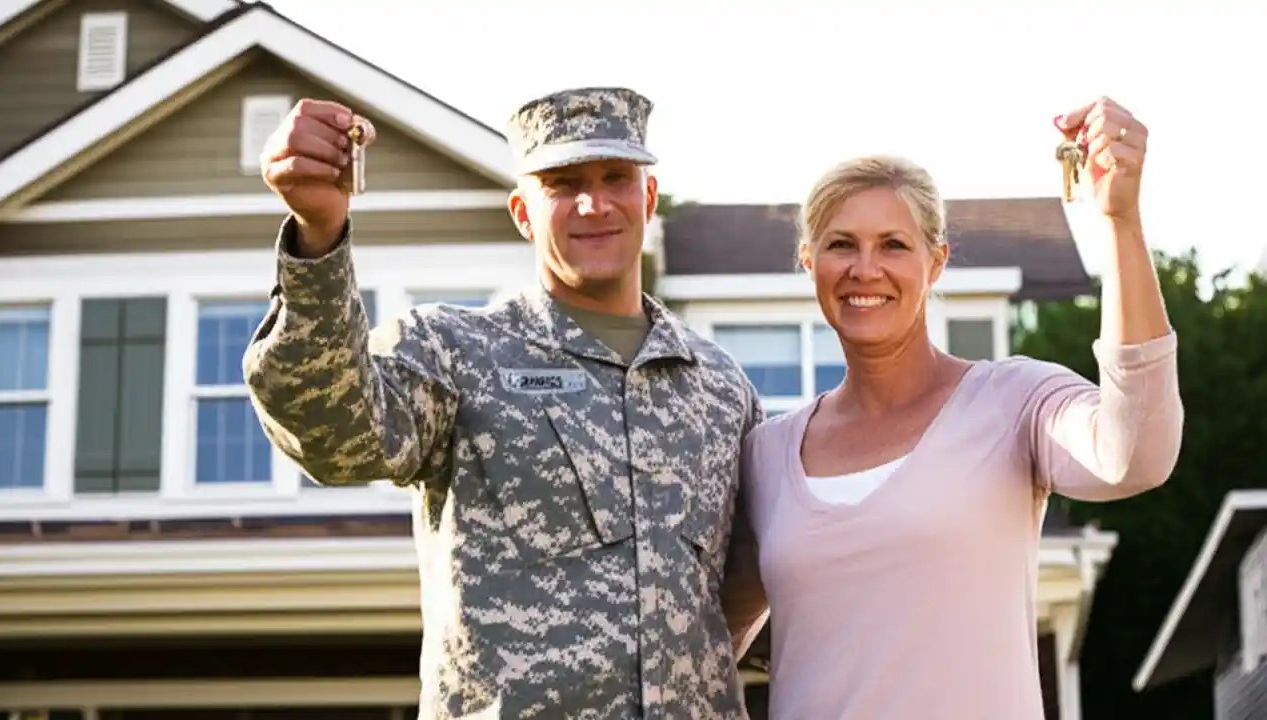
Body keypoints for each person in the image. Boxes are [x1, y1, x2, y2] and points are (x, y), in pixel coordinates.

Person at [242, 86, 764, 719]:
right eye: (562, 183)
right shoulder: (455, 353)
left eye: (616, 177)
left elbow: (751, 582)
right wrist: (318, 236)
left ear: (647, 198)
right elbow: (336, 438)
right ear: (522, 212)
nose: (593, 203)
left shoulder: (720, 388)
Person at [726, 97, 1184, 719]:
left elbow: (1136, 454)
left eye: (893, 244)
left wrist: (1120, 222)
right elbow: (706, 641)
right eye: (841, 245)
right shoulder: (765, 454)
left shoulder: (1016, 403)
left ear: (935, 261)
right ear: (809, 261)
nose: (866, 269)